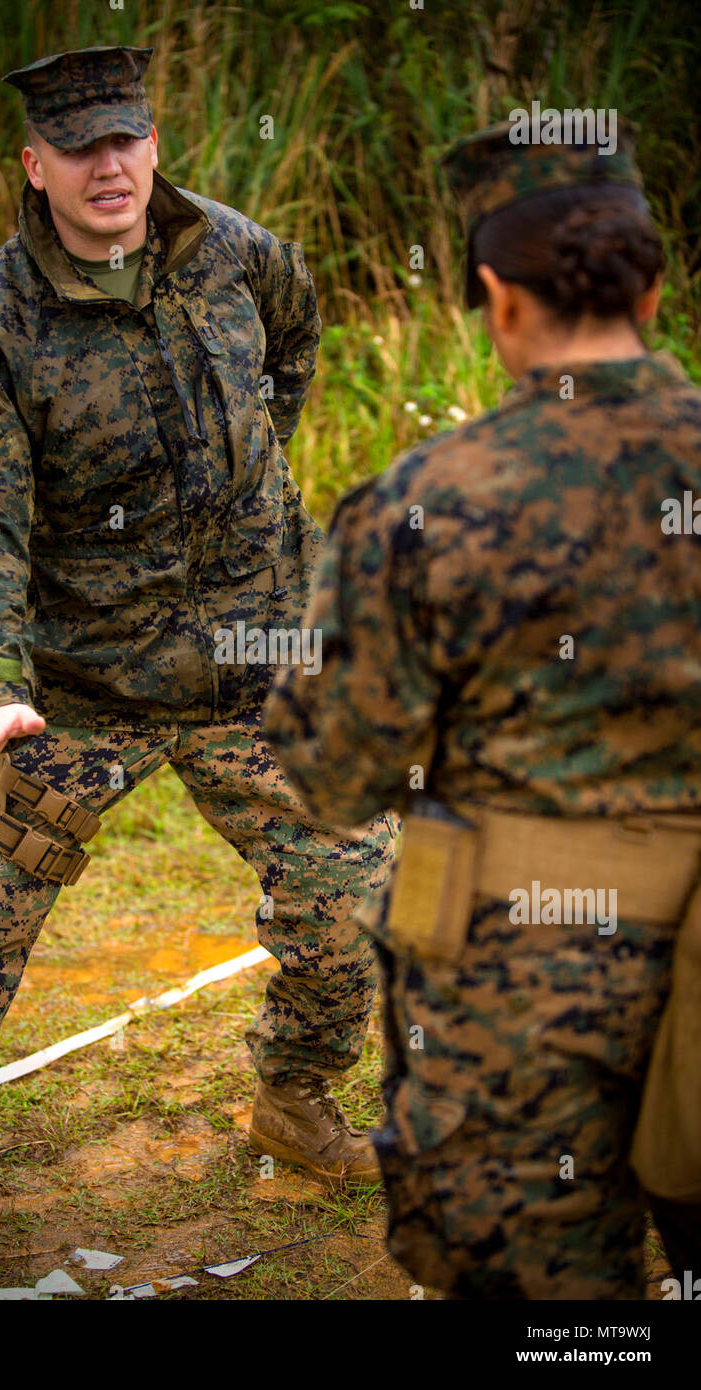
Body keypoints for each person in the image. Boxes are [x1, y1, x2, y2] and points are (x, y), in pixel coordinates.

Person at [0, 44, 394, 1296]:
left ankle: (292, 1101)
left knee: (352, 892)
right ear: (33, 163)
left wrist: (254, 537)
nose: (108, 165)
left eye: (125, 138)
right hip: (80, 682)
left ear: (152, 143)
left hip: (251, 664)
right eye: (79, 145)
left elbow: (287, 362)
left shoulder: (237, 253)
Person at [262, 117, 701, 1299]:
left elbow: (335, 769)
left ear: (498, 300)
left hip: (522, 993)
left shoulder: (428, 501)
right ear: (653, 286)